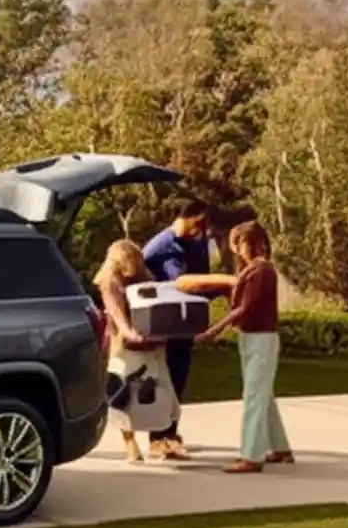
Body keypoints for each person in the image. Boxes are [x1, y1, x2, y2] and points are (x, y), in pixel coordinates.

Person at [197, 221, 292, 473]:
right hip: (253, 338)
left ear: (255, 243)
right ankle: (281, 448)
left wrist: (215, 329)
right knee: (263, 395)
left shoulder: (261, 271)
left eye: (240, 243)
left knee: (254, 397)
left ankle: (251, 455)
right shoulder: (251, 271)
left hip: (261, 339)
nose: (237, 249)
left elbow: (245, 307)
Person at [94, 240, 184, 462]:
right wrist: (129, 332)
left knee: (161, 392)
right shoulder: (110, 282)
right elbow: (116, 313)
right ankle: (130, 443)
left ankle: (161, 438)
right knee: (126, 394)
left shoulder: (145, 277)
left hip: (151, 343)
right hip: (124, 345)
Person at [141, 198, 211, 458]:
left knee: (180, 377)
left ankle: (171, 431)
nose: (200, 229)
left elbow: (203, 278)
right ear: (185, 218)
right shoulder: (160, 246)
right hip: (165, 322)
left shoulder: (198, 244)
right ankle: (157, 436)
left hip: (186, 322)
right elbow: (139, 277)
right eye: (198, 223)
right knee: (163, 378)